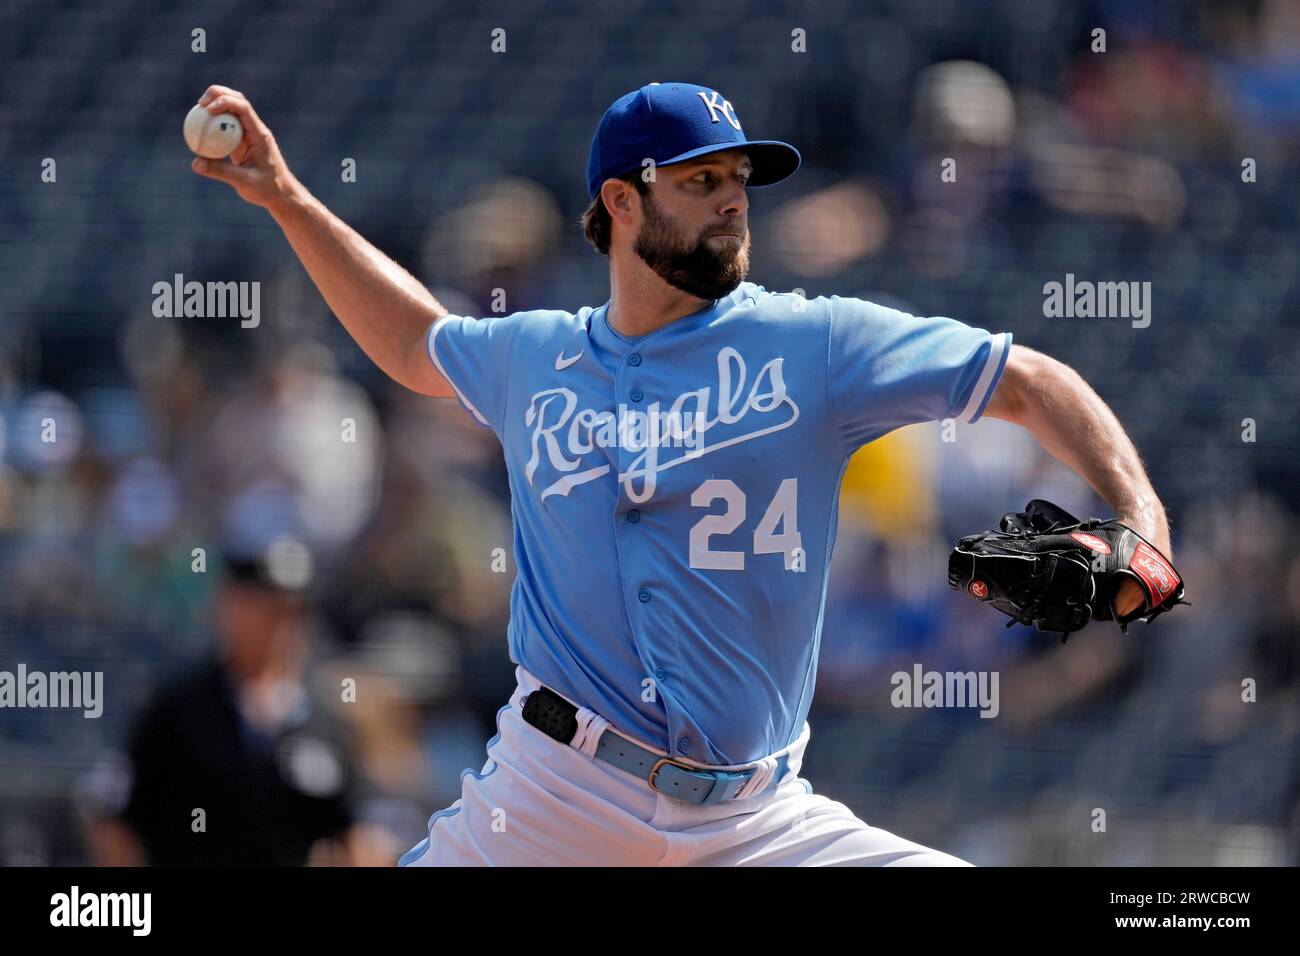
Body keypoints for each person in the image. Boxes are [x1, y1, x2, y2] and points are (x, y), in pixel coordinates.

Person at [190, 81, 1173, 866]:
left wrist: (1139, 512)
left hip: (758, 816)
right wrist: (284, 193)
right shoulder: (536, 356)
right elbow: (414, 343)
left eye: (739, 176)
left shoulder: (814, 341)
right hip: (556, 795)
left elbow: (1027, 380)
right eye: (699, 179)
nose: (733, 196)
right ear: (620, 200)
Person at [84, 531, 389, 866]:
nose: (280, 624)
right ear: (229, 607)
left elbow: (355, 833)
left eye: (290, 612)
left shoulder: (324, 723)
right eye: (264, 608)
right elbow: (115, 819)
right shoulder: (178, 709)